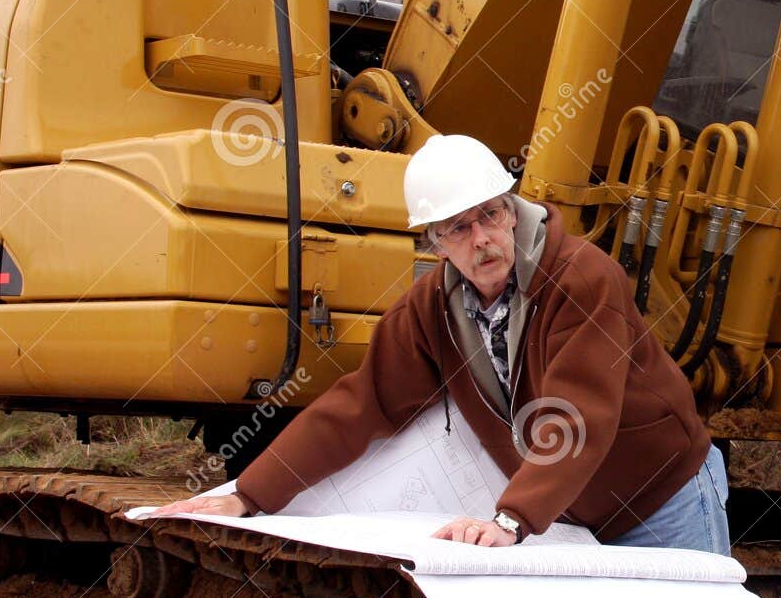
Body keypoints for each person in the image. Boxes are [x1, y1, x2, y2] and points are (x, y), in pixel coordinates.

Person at [145, 134, 730, 553]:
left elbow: (579, 412)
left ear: (510, 208)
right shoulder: (432, 310)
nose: (482, 239)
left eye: (490, 215)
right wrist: (250, 495)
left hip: (661, 496)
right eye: (458, 227)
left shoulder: (581, 278)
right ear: (433, 242)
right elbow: (361, 406)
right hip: (567, 515)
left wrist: (513, 516)